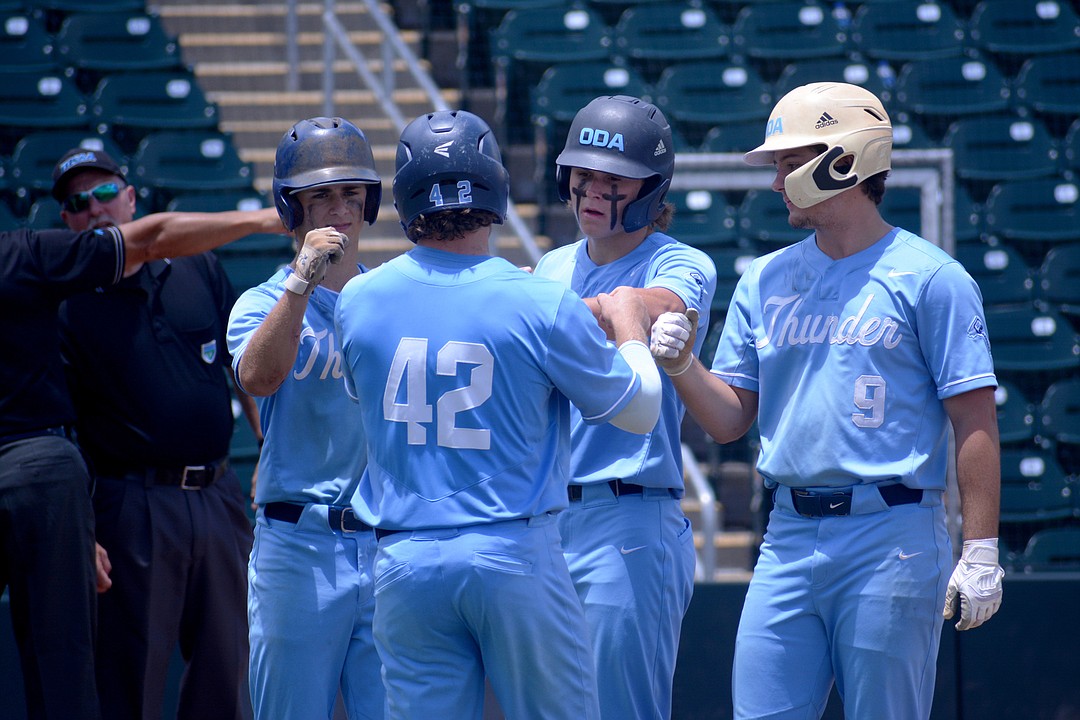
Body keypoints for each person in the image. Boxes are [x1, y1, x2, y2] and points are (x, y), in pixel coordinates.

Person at [649, 82, 1004, 720]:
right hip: (787, 532)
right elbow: (729, 421)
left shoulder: (933, 278)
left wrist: (981, 548)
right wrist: (681, 366)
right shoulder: (763, 277)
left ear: (844, 160)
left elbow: (974, 419)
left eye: (790, 163)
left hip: (892, 534)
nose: (776, 181)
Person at [334, 109, 663, 720]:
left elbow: (363, 396)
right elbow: (639, 411)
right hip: (513, 551)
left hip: (403, 561)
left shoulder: (358, 297)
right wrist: (630, 329)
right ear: (494, 189)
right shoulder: (538, 298)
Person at [0, 158, 282, 720]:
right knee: (131, 682)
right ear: (65, 221)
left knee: (227, 674)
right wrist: (85, 530)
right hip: (132, 504)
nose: (94, 208)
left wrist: (266, 447)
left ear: (131, 198)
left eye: (105, 192)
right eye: (76, 204)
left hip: (217, 493)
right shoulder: (64, 299)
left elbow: (242, 365)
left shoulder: (197, 265)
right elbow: (63, 423)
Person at [532, 94, 716, 720]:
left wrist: (542, 317)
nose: (592, 190)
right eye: (582, 174)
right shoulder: (552, 266)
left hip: (628, 515)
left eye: (613, 180)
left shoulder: (678, 260)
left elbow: (657, 305)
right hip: (546, 518)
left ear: (649, 190)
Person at [226, 116, 386, 720]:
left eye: (352, 193)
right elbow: (257, 378)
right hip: (298, 544)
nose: (340, 208)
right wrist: (302, 282)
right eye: (320, 195)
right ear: (291, 208)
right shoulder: (263, 301)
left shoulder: (389, 299)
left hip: (384, 542)